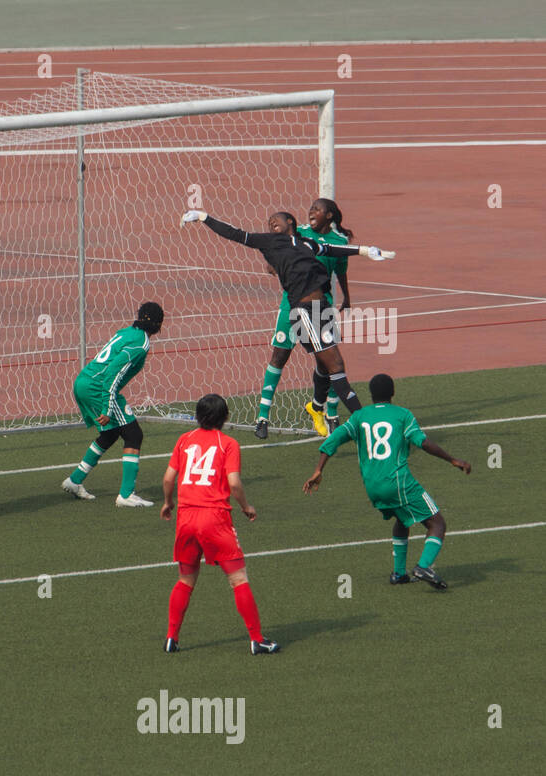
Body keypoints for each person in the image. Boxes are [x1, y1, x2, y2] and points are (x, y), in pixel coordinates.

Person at [180, 207, 393, 438]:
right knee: (335, 366)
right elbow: (235, 233)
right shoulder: (270, 242)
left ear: (290, 220)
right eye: (269, 222)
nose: (271, 223)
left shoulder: (307, 244)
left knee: (327, 367)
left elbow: (332, 249)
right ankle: (363, 422)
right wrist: (203, 217)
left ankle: (321, 407)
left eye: (275, 220)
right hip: (303, 311)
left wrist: (364, 250)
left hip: (320, 309)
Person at [302, 373, 471, 589]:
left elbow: (334, 438)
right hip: (397, 482)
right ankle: (423, 566)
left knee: (402, 519)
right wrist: (452, 459)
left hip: (372, 487)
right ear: (393, 393)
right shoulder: (402, 415)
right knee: (437, 523)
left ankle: (399, 574)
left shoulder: (359, 416)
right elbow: (423, 442)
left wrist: (318, 470)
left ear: (371, 395)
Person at [160, 394, 279, 655]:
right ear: (225, 417)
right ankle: (257, 639)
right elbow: (234, 483)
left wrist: (168, 502)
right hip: (214, 519)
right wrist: (246, 507)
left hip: (186, 518)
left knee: (185, 579)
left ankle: (172, 637)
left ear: (197, 416)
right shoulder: (228, 444)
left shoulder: (184, 440)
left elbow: (169, 478)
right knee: (238, 579)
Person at [253, 199, 356, 439]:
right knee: (279, 355)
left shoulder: (339, 242)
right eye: (310, 208)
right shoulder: (299, 234)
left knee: (328, 362)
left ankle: (328, 413)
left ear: (329, 215)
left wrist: (347, 298)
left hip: (322, 305)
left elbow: (341, 272)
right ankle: (262, 417)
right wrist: (276, 266)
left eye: (317, 209)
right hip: (292, 303)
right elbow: (274, 258)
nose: (311, 211)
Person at [61, 301, 162, 507]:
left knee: (110, 433)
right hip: (99, 387)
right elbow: (111, 375)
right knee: (134, 434)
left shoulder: (126, 332)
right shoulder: (140, 344)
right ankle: (126, 495)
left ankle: (74, 480)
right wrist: (107, 407)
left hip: (84, 381)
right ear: (159, 324)